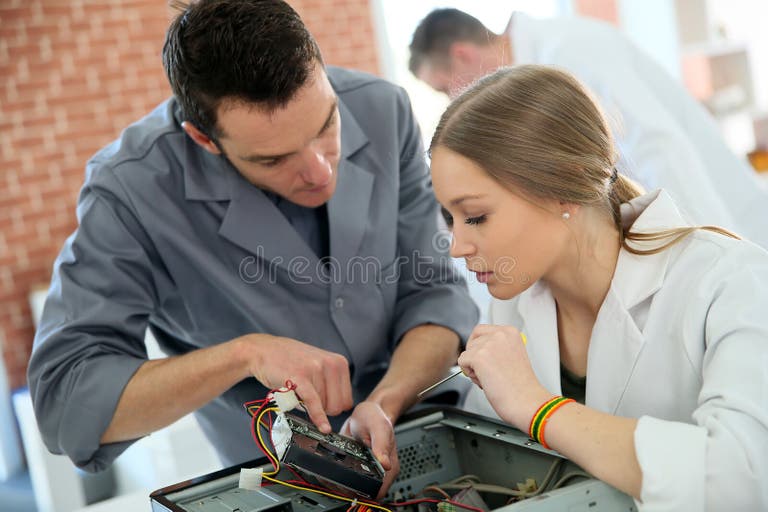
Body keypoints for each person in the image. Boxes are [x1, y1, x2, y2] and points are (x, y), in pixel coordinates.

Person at [26, 0, 478, 488]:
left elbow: (433, 293)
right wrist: (242, 355)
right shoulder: (131, 191)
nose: (321, 171)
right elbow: (64, 404)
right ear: (204, 139)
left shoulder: (383, 108)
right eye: (273, 159)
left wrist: (386, 401)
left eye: (326, 124)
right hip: (275, 480)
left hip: (426, 428)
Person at [430, 65, 767, 511]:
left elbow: (739, 480)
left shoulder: (729, 282)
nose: (456, 246)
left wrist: (539, 409)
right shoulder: (514, 306)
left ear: (562, 187)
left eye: (474, 216)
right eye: (447, 218)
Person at [410, 8, 768, 249]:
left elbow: (658, 149)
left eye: (445, 87)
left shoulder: (567, 49)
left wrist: (706, 250)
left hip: (718, 224)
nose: (453, 98)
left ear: (462, 55)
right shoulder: (535, 77)